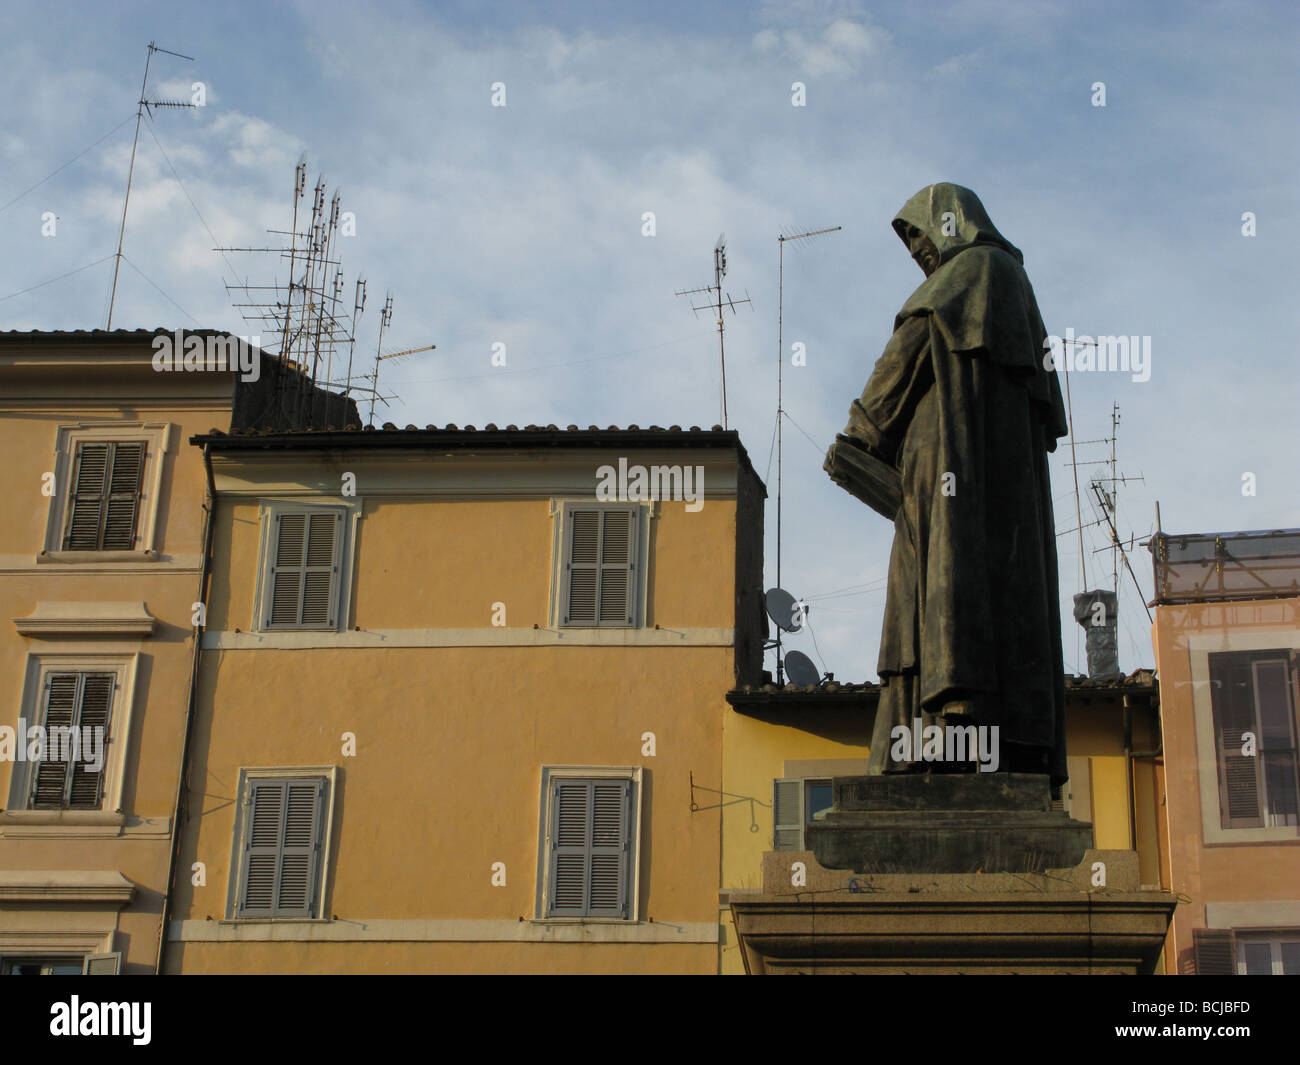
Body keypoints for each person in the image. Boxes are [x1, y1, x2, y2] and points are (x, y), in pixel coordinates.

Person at [834, 183, 1070, 793]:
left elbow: (908, 347)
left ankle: (930, 744)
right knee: (967, 604)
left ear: (951, 222)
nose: (916, 249)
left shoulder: (976, 269)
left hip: (945, 468)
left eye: (919, 233)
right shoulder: (1013, 284)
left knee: (930, 604)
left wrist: (865, 428)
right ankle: (967, 742)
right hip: (986, 485)